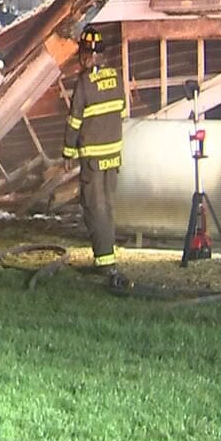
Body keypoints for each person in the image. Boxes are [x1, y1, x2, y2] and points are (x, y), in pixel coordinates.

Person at [61, 27, 129, 289]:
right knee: (108, 205)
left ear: (88, 56)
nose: (81, 61)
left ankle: (104, 262)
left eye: (82, 56)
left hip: (92, 157)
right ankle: (107, 257)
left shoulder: (85, 83)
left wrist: (68, 151)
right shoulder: (116, 77)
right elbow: (121, 111)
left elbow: (74, 121)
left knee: (94, 206)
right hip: (113, 154)